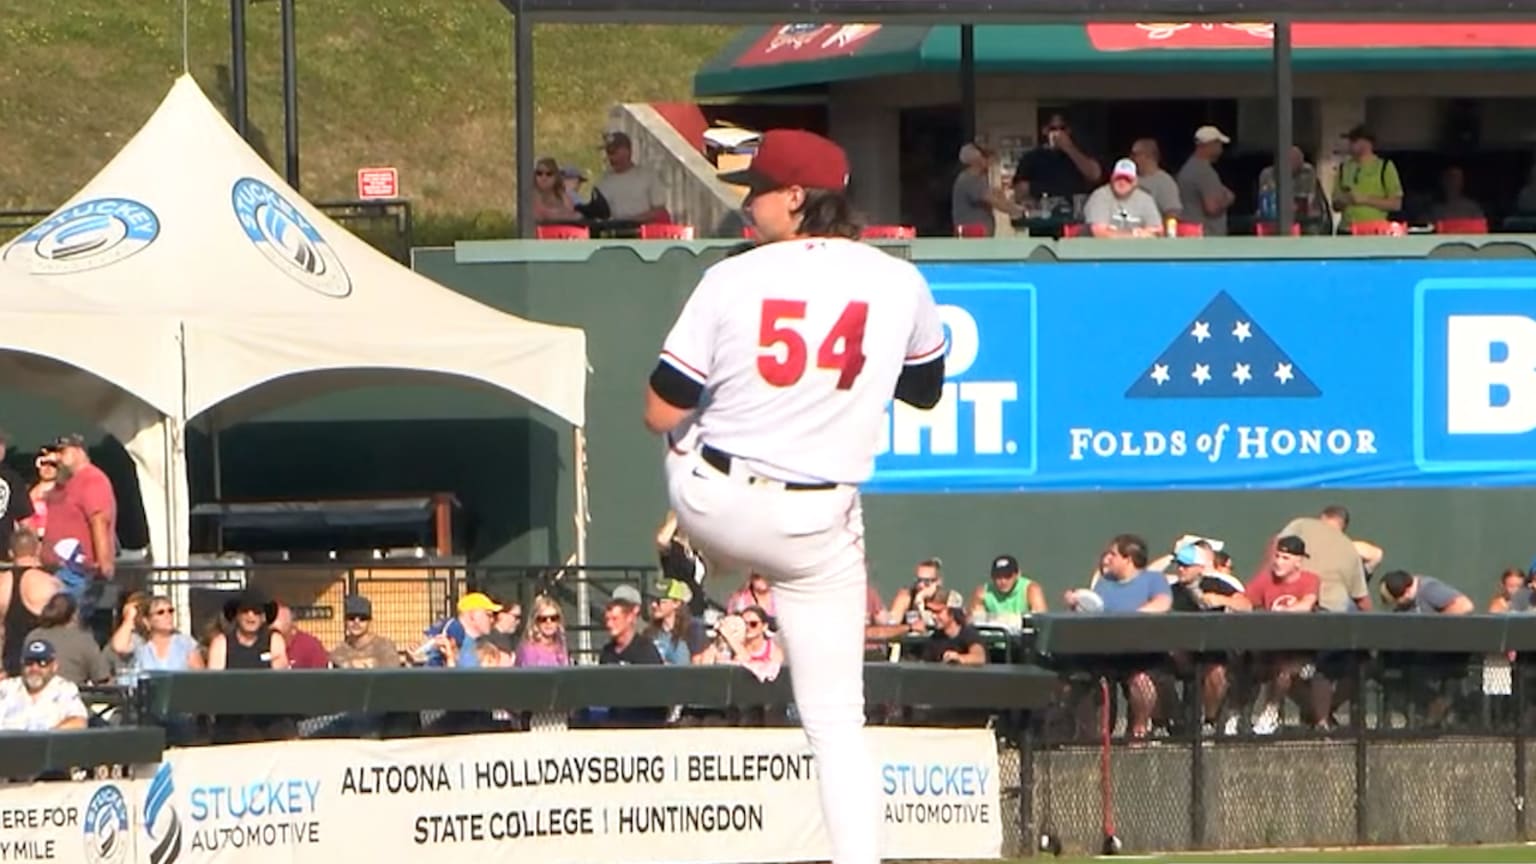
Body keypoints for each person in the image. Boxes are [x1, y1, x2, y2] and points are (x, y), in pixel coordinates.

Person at [643, 128, 946, 864]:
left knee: (677, 428)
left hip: (714, 497)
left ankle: (698, 553)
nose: (748, 204)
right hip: (817, 523)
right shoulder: (896, 280)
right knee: (837, 723)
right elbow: (927, 390)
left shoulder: (732, 277)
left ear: (798, 199)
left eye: (759, 190)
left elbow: (659, 407)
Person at [0, 426, 35, 555]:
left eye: (2, 444)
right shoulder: (12, 478)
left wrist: (30, 553)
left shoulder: (12, 479)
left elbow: (26, 520)